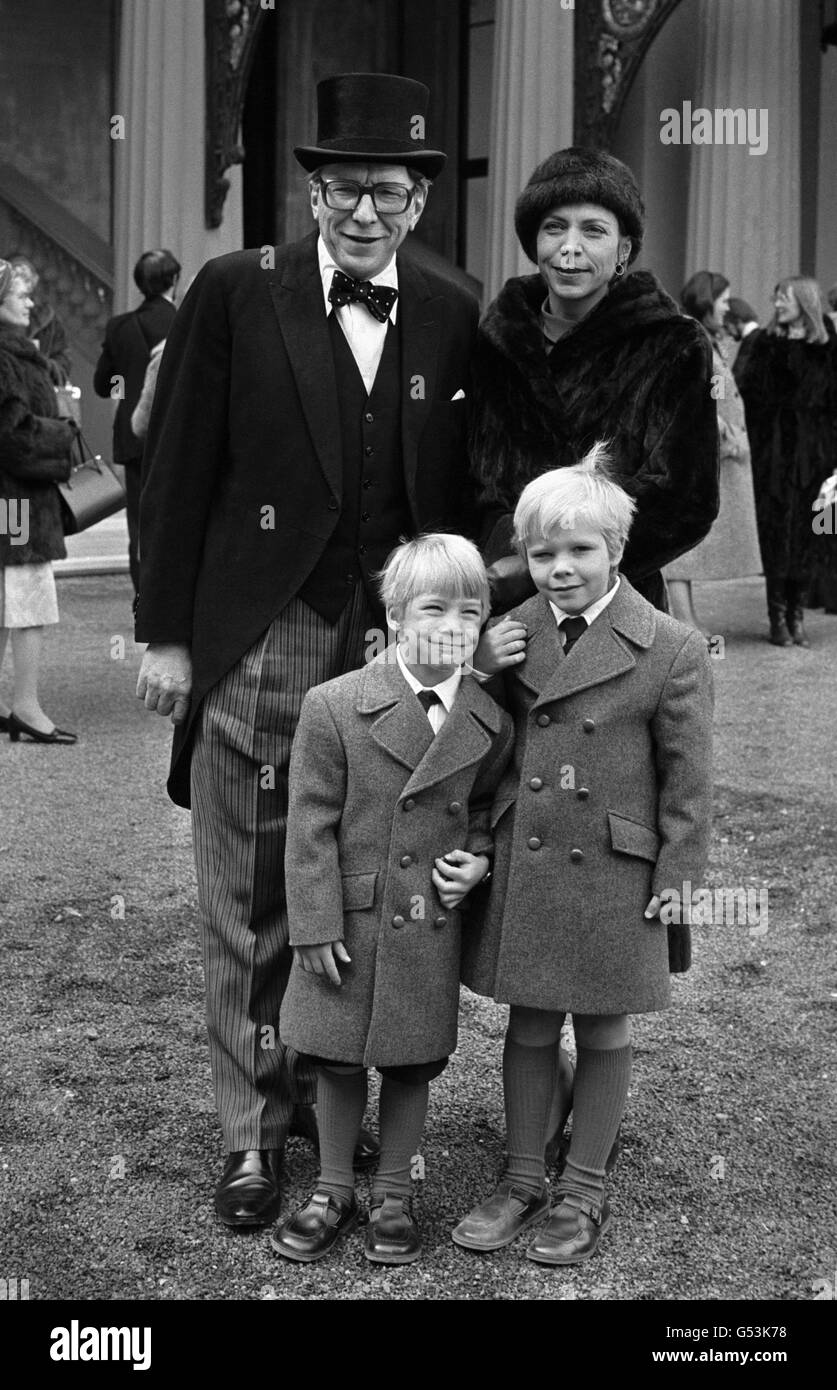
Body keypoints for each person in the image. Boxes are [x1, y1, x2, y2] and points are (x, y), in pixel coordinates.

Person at [134, 73, 480, 1230]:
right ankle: (250, 1140)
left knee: (367, 889)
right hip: (264, 635)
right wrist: (167, 635)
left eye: (387, 191)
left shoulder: (450, 306)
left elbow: (459, 488)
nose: (364, 212)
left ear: (419, 201)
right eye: (342, 188)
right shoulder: (238, 291)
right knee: (246, 898)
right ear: (315, 190)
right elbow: (175, 470)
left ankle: (339, 1111)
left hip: (392, 640)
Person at [455, 445, 714, 1264]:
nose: (558, 569)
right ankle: (523, 1177)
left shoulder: (670, 647)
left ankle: (584, 1189)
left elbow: (689, 782)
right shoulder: (507, 637)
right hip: (529, 863)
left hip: (616, 870)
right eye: (541, 554)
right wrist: (475, 674)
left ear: (616, 552)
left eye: (578, 552)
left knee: (602, 1029)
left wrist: (679, 879)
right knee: (530, 1024)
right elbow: (471, 751)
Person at [271, 534, 513, 1265]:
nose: (451, 624)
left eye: (469, 612)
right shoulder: (335, 704)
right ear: (396, 613)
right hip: (349, 920)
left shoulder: (487, 720)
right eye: (433, 607)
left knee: (412, 1061)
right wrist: (312, 924)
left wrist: (480, 861)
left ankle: (395, 1195)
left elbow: (484, 811)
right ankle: (333, 1188)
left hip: (425, 922)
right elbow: (308, 822)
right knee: (336, 1057)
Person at [468, 146, 719, 618]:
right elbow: (475, 479)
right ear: (533, 240)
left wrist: (547, 564)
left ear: (623, 249)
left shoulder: (672, 343)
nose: (570, 247)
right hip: (503, 602)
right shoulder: (496, 339)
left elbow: (685, 500)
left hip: (618, 601)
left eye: (594, 230)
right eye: (554, 227)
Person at [736, 276, 837, 647]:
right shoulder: (763, 344)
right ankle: (777, 616)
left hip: (817, 454)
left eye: (785, 298)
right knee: (776, 531)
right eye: (776, 297)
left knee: (813, 533)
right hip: (774, 453)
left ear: (805, 303)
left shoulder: (829, 349)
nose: (777, 303)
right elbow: (743, 393)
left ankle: (798, 615)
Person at [0, 259, 77, 743]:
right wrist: (63, 432)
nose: (30, 302)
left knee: (10, 594)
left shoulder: (15, 353)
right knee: (27, 596)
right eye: (20, 294)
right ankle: (26, 707)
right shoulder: (7, 358)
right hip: (19, 501)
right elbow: (13, 437)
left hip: (14, 500)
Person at [664, 272, 762, 631]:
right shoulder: (691, 338)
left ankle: (686, 618)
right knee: (686, 538)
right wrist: (722, 429)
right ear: (707, 301)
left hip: (716, 449)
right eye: (723, 299)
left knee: (693, 538)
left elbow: (713, 390)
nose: (727, 307)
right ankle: (683, 619)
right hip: (702, 453)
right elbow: (692, 394)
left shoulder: (704, 338)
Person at [94, 249, 179, 597]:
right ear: (173, 281)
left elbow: (103, 384)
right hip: (176, 438)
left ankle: (143, 598)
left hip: (134, 440)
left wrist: (124, 381)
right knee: (176, 518)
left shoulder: (119, 327)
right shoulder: (186, 321)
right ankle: (171, 596)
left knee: (139, 525)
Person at [7, 254, 72, 387]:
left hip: (40, 392)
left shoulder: (46, 318)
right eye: (20, 296)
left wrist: (45, 368)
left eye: (28, 293)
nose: (28, 302)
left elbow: (63, 358)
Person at [724, 296, 760, 381]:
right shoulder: (758, 339)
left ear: (737, 321)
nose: (727, 333)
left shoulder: (751, 343)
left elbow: (736, 381)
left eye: (726, 326)